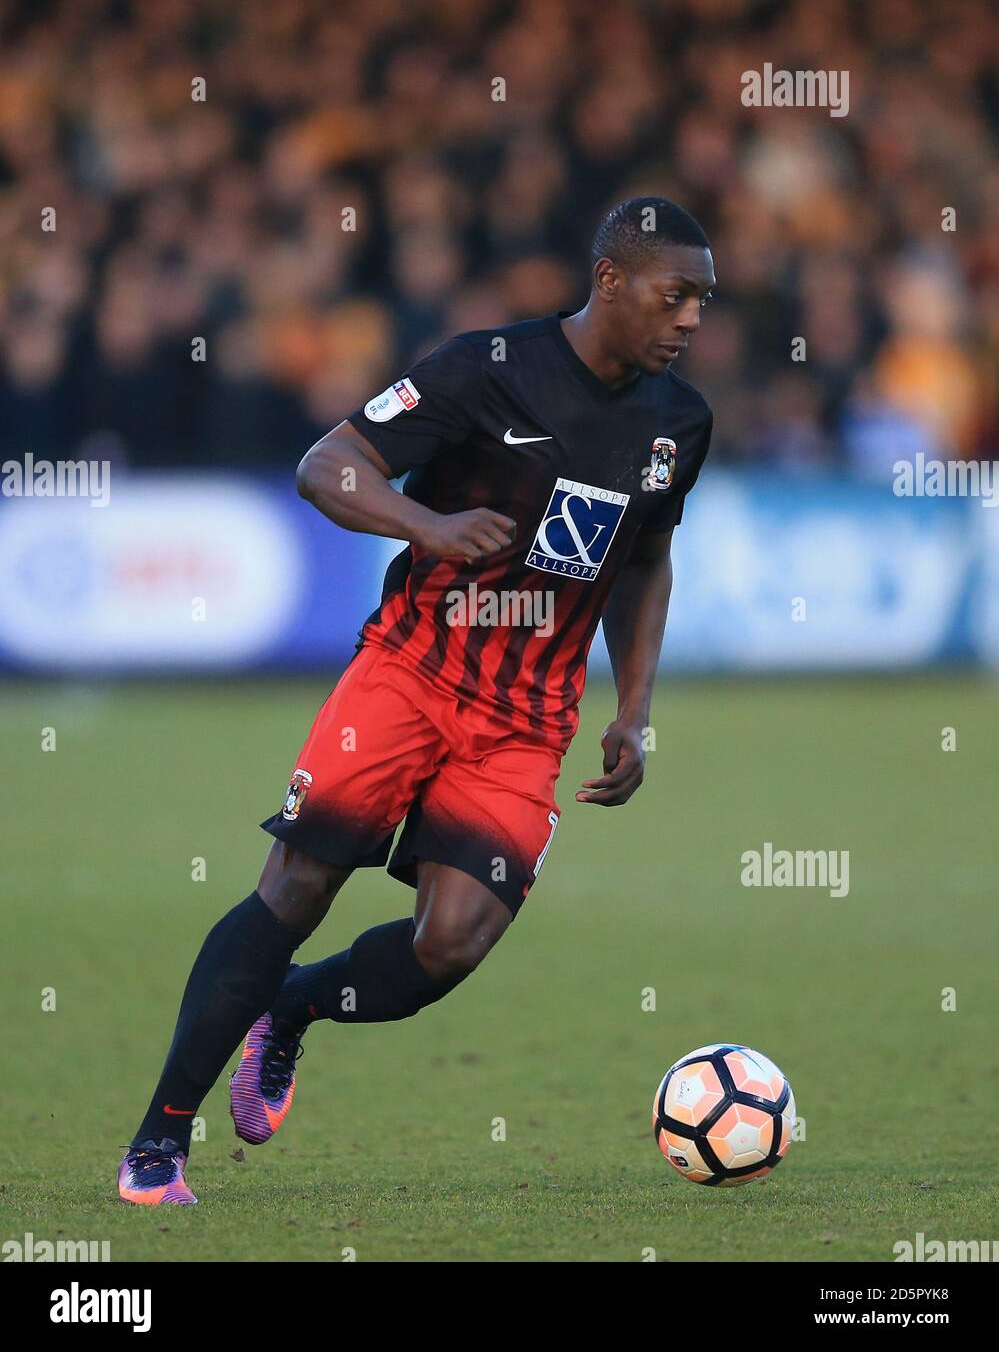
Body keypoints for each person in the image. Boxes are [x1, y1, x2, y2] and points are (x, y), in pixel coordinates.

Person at [117, 196, 716, 1205]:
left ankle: (295, 1009)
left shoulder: (678, 423)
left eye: (703, 300)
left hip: (529, 716)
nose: (693, 319)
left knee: (451, 942)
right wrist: (422, 524)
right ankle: (158, 1143)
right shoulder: (487, 369)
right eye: (677, 295)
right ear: (611, 279)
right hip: (410, 672)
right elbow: (327, 466)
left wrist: (635, 707)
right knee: (298, 885)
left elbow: (647, 559)